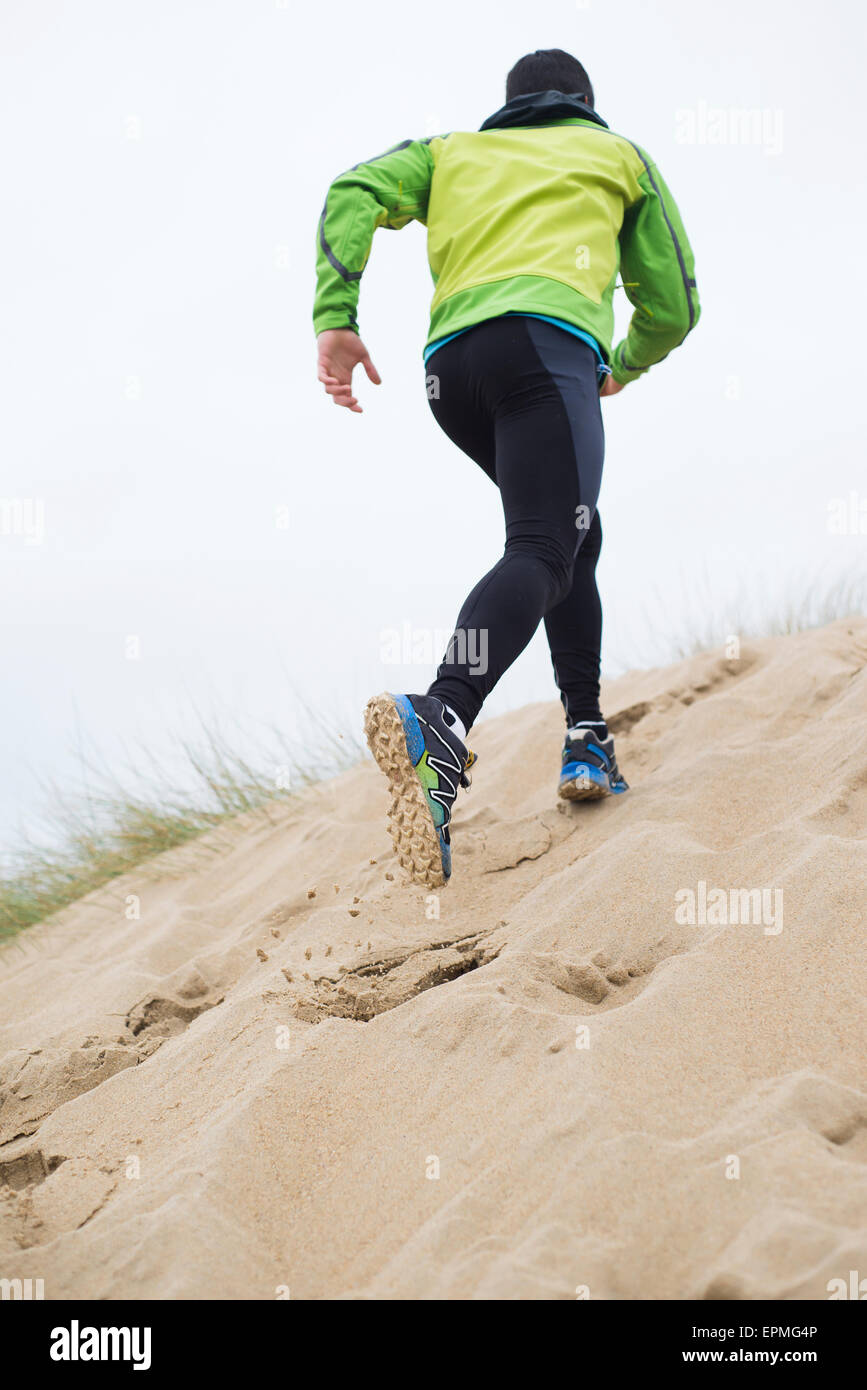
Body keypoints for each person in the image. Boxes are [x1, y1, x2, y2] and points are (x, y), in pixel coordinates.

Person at [313, 48, 700, 888]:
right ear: (584, 105)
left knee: (570, 533)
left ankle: (585, 734)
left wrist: (334, 315)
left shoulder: (451, 152)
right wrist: (621, 365)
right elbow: (675, 302)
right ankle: (442, 716)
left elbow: (351, 189)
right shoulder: (618, 156)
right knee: (542, 547)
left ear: (509, 107)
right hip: (545, 353)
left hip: (452, 374)